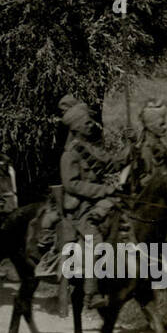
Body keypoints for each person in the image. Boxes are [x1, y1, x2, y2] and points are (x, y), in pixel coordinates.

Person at [57, 94, 126, 306]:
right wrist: (104, 190)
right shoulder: (70, 155)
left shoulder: (90, 148)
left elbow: (112, 164)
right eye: (86, 123)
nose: (90, 125)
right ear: (76, 127)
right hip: (81, 208)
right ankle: (91, 292)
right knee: (94, 240)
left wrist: (132, 145)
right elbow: (72, 185)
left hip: (96, 202)